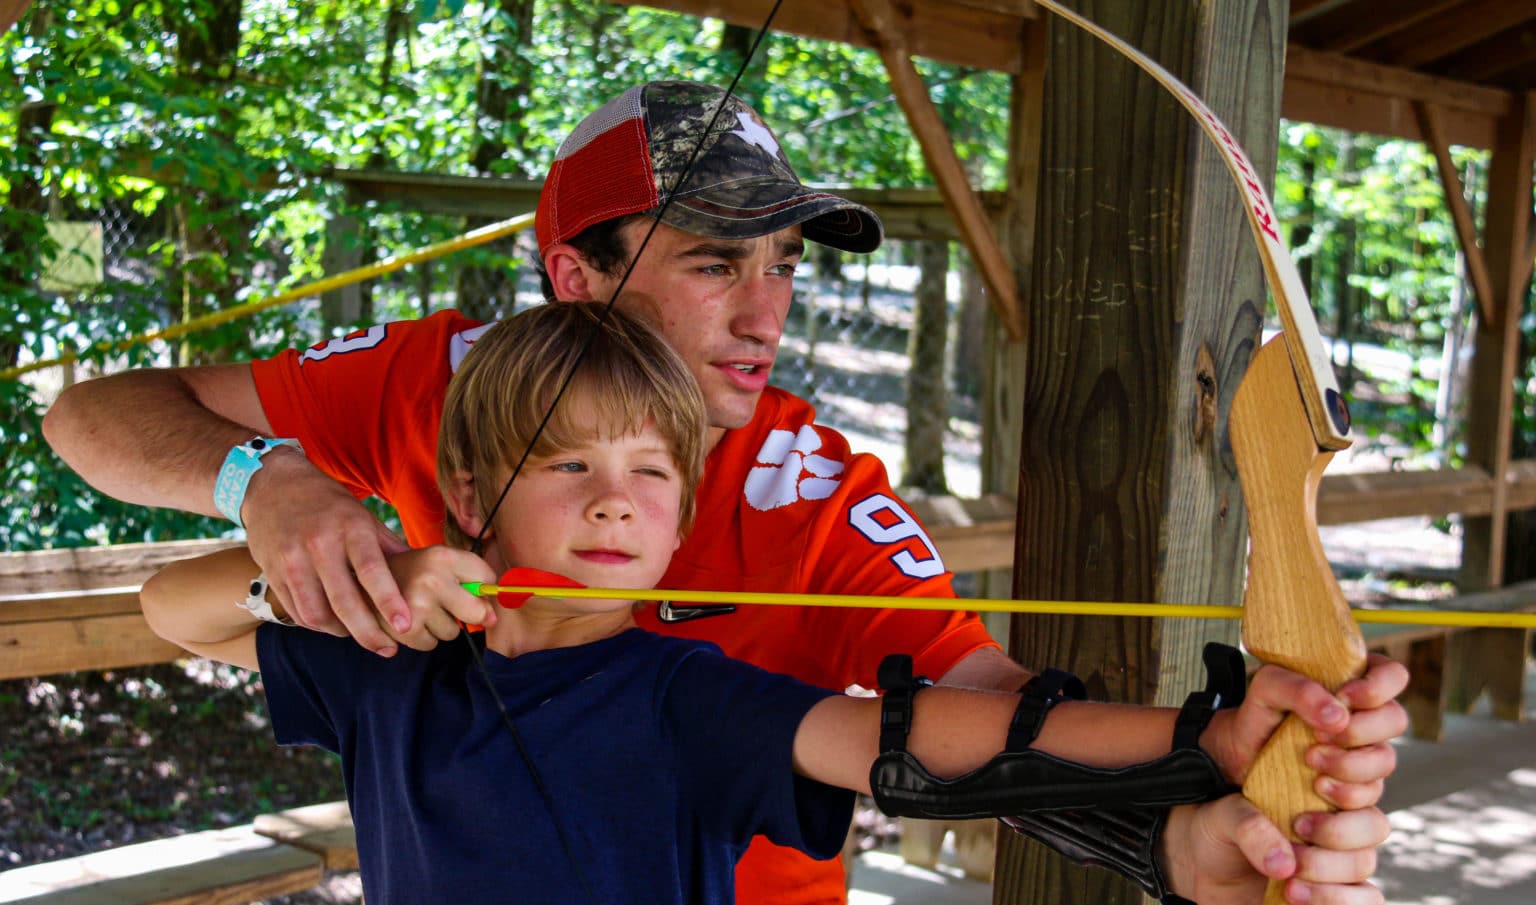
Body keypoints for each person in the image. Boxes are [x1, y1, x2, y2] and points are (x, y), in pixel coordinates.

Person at [45, 81, 1408, 904]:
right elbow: (89, 415)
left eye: (785, 265)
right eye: (713, 263)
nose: (767, 315)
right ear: (574, 274)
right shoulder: (440, 381)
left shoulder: (808, 485)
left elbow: (957, 719)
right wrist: (268, 489)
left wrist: (1190, 806)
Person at [140, 302, 1391, 905]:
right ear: (470, 487)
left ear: (684, 517)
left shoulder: (690, 697)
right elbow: (170, 607)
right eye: (567, 463)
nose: (614, 500)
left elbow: (915, 739)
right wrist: (335, 567)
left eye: (649, 473)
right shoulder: (392, 664)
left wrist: (1199, 743)